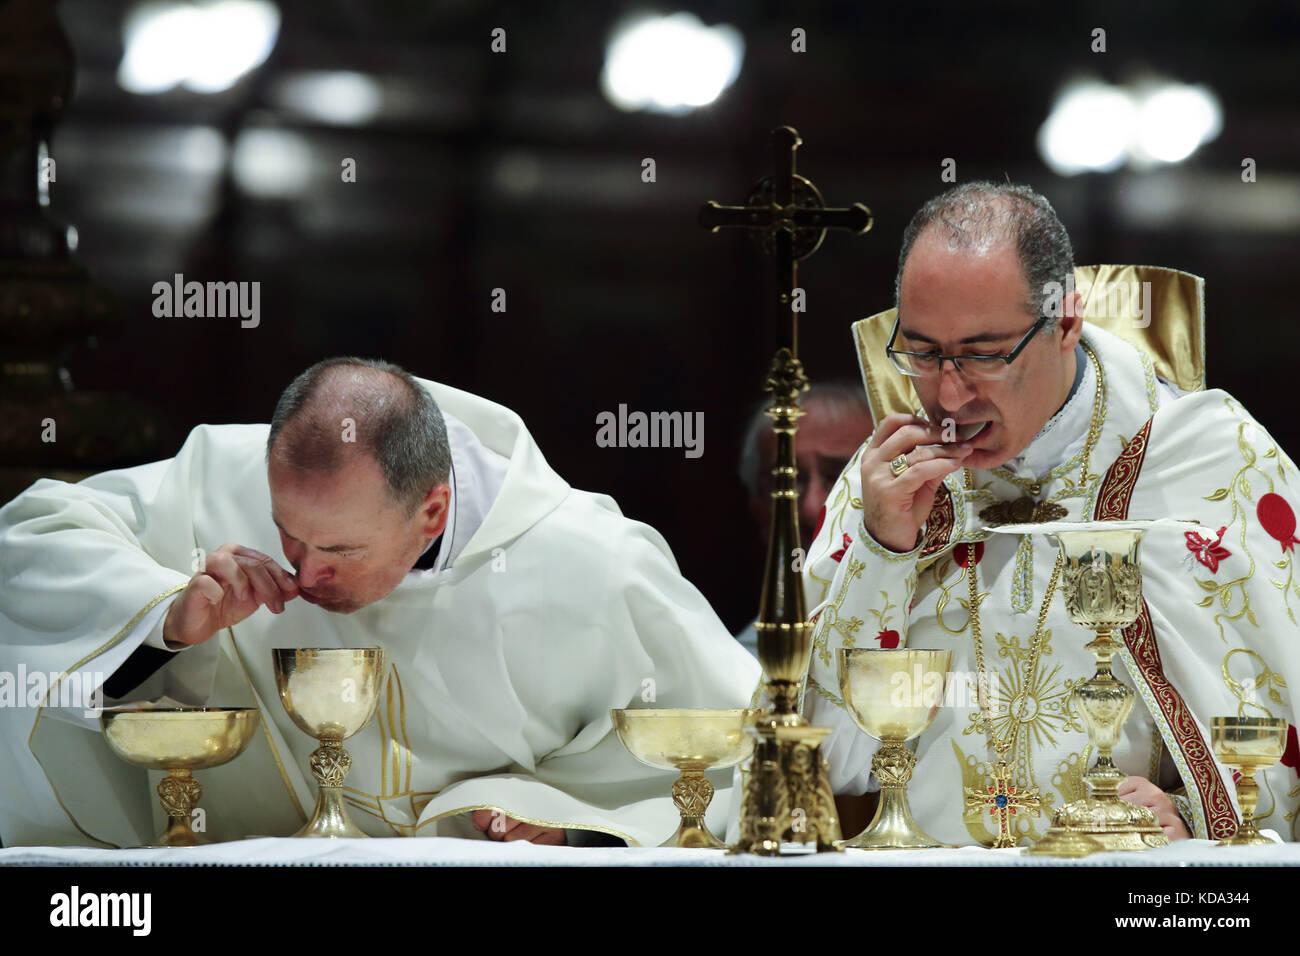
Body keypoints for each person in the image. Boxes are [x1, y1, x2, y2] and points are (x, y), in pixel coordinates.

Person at [0, 358, 760, 848]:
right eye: (285, 535)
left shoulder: (592, 566)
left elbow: (727, 751)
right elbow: (26, 539)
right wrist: (167, 614)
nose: (302, 574)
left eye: (339, 552)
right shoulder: (219, 475)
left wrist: (569, 826)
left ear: (432, 512)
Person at [801, 182, 1300, 847]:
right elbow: (822, 762)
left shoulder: (1210, 461)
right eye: (921, 353)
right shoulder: (884, 476)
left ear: (1065, 322)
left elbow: (1277, 712)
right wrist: (881, 548)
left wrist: (1198, 819)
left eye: (983, 355)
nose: (949, 394)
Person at [734, 384, 874, 656]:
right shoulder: (740, 674)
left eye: (840, 478)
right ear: (759, 510)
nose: (812, 507)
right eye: (787, 482)